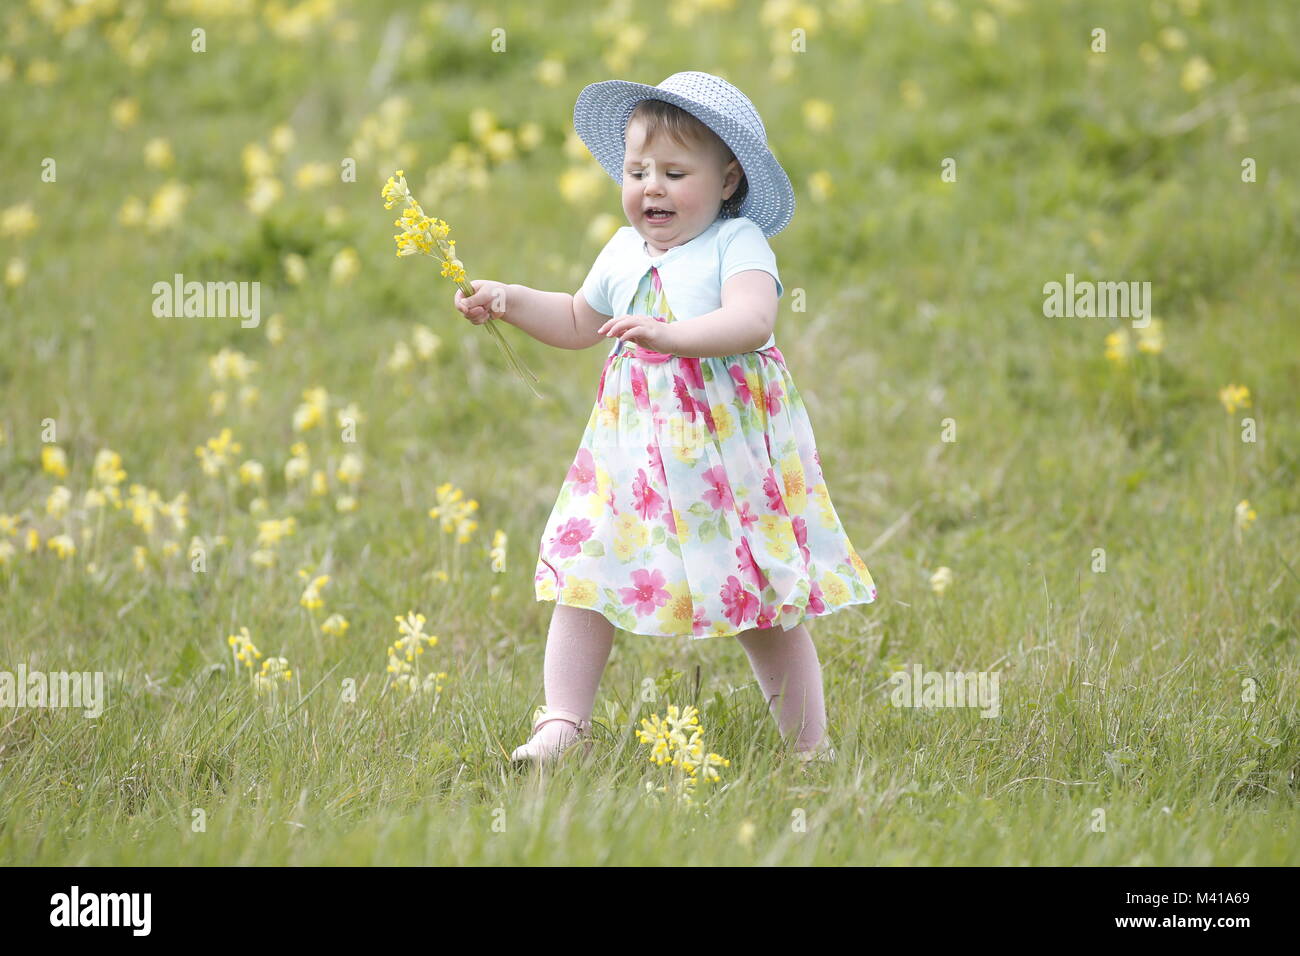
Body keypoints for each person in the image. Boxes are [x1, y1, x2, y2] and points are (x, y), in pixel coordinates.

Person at [453, 71, 878, 766]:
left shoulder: (736, 247)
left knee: (762, 600)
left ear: (728, 181)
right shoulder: (622, 252)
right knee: (585, 568)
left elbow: (751, 320)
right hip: (632, 464)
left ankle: (810, 748)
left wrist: (671, 335)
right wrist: (506, 298)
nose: (651, 187)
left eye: (675, 172)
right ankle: (563, 721)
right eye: (637, 170)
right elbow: (573, 319)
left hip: (724, 462)